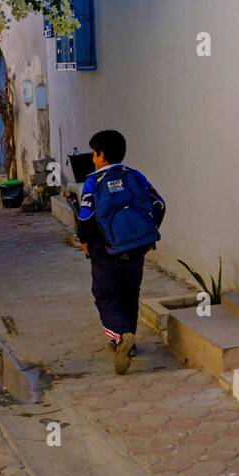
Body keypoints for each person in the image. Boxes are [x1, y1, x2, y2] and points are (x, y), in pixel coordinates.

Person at [76, 129, 161, 375]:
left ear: (101, 155)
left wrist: (83, 240)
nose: (92, 159)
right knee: (129, 294)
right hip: (136, 250)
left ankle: (121, 335)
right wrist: (146, 232)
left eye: (94, 153)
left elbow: (86, 217)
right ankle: (129, 343)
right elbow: (159, 204)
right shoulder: (135, 176)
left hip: (105, 252)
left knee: (105, 296)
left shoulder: (94, 181)